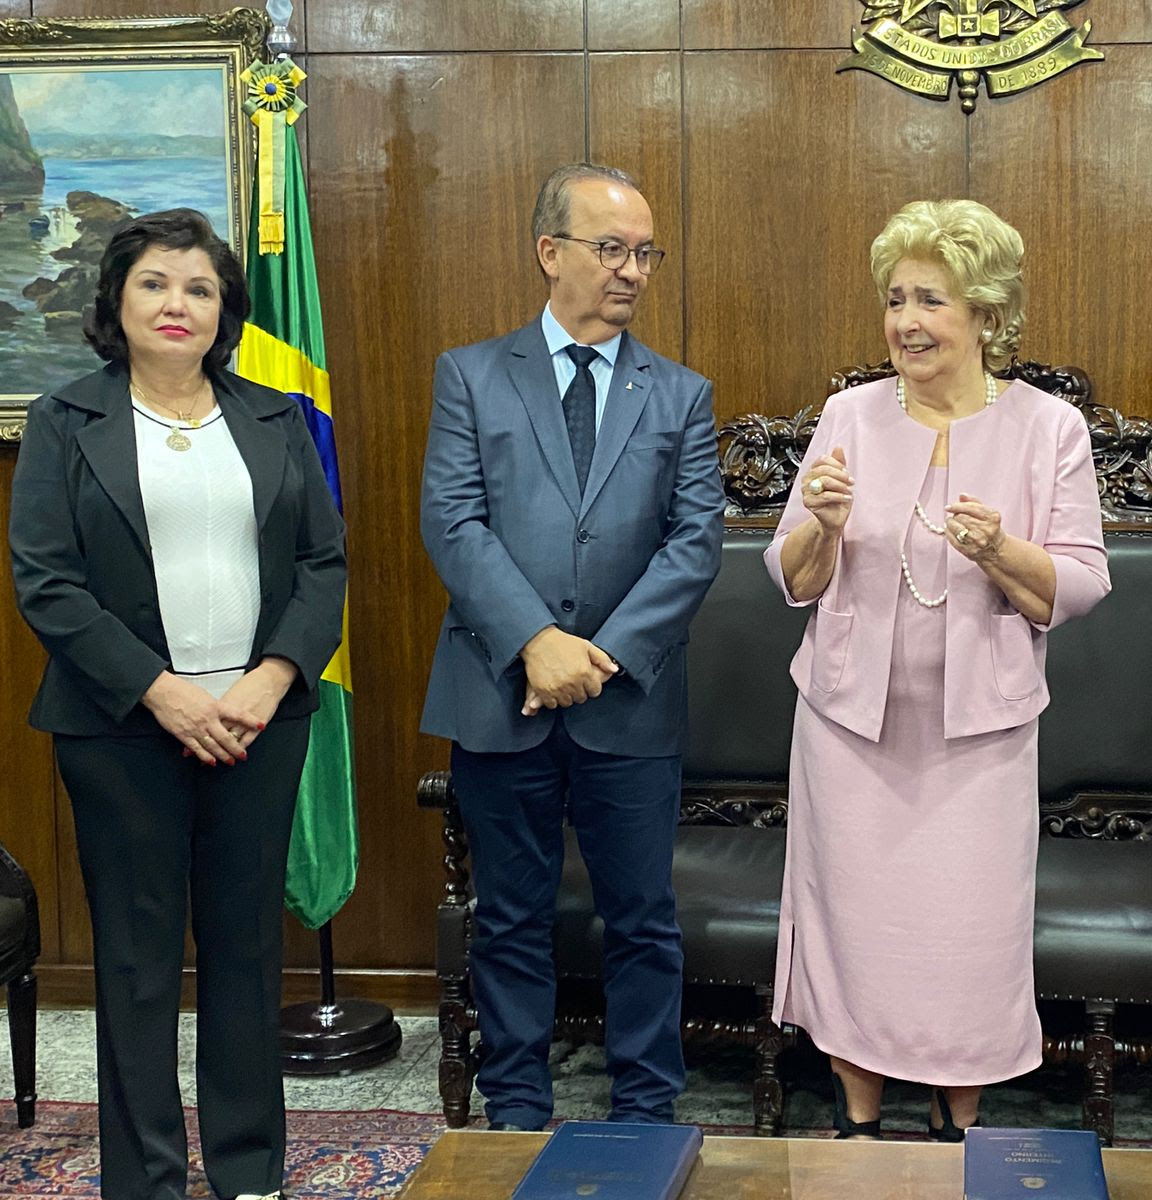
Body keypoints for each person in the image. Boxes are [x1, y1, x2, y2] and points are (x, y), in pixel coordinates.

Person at [8, 208, 347, 1200]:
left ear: (223, 311)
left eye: (200, 288)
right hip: (119, 729)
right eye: (155, 283)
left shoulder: (274, 418)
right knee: (137, 961)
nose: (177, 304)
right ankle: (145, 1179)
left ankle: (249, 1170)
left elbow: (322, 564)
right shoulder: (66, 420)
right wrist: (163, 694)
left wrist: (271, 678)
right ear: (117, 299)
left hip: (258, 725)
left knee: (246, 952)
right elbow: (46, 581)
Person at [765, 199, 1111, 1140]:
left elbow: (1081, 583)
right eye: (895, 300)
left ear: (988, 316)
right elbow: (791, 579)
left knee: (966, 938)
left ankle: (957, 1124)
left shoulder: (1048, 428)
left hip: (978, 742)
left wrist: (1000, 549)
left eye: (931, 301)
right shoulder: (848, 415)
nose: (907, 322)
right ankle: (859, 1121)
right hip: (848, 730)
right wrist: (822, 527)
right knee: (856, 927)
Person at [419, 163, 723, 1130]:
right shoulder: (471, 374)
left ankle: (645, 1108)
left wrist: (599, 656)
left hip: (627, 700)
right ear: (550, 252)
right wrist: (537, 642)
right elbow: (453, 522)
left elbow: (695, 542)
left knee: (642, 918)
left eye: (645, 253)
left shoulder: (681, 395)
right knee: (510, 917)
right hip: (498, 690)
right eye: (611, 249)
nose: (632, 270)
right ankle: (515, 1107)